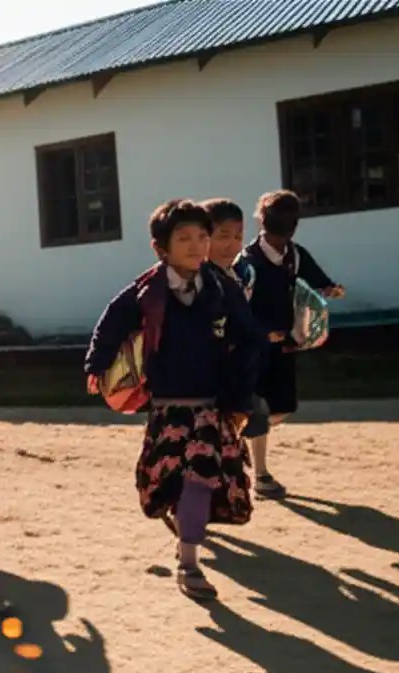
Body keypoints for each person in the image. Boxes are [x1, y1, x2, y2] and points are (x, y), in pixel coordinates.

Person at [84, 199, 263, 600]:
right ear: (160, 247)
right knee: (172, 485)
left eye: (203, 236)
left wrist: (239, 398)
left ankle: (189, 563)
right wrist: (96, 365)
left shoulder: (221, 287)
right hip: (166, 408)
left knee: (199, 481)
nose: (197, 245)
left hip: (210, 408)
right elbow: (111, 322)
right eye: (184, 238)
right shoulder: (147, 291)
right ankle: (181, 522)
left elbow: (250, 339)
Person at [240, 191, 346, 499]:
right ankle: (260, 475)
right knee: (260, 411)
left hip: (286, 344)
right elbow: (238, 309)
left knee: (283, 408)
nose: (285, 227)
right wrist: (261, 333)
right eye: (278, 220)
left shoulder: (295, 254)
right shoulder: (247, 262)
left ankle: (238, 439)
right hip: (255, 348)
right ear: (263, 221)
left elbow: (317, 281)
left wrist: (331, 289)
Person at [203, 197, 272, 449]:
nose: (231, 245)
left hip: (235, 386)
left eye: (238, 237)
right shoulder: (199, 281)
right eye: (223, 236)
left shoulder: (238, 276)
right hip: (207, 389)